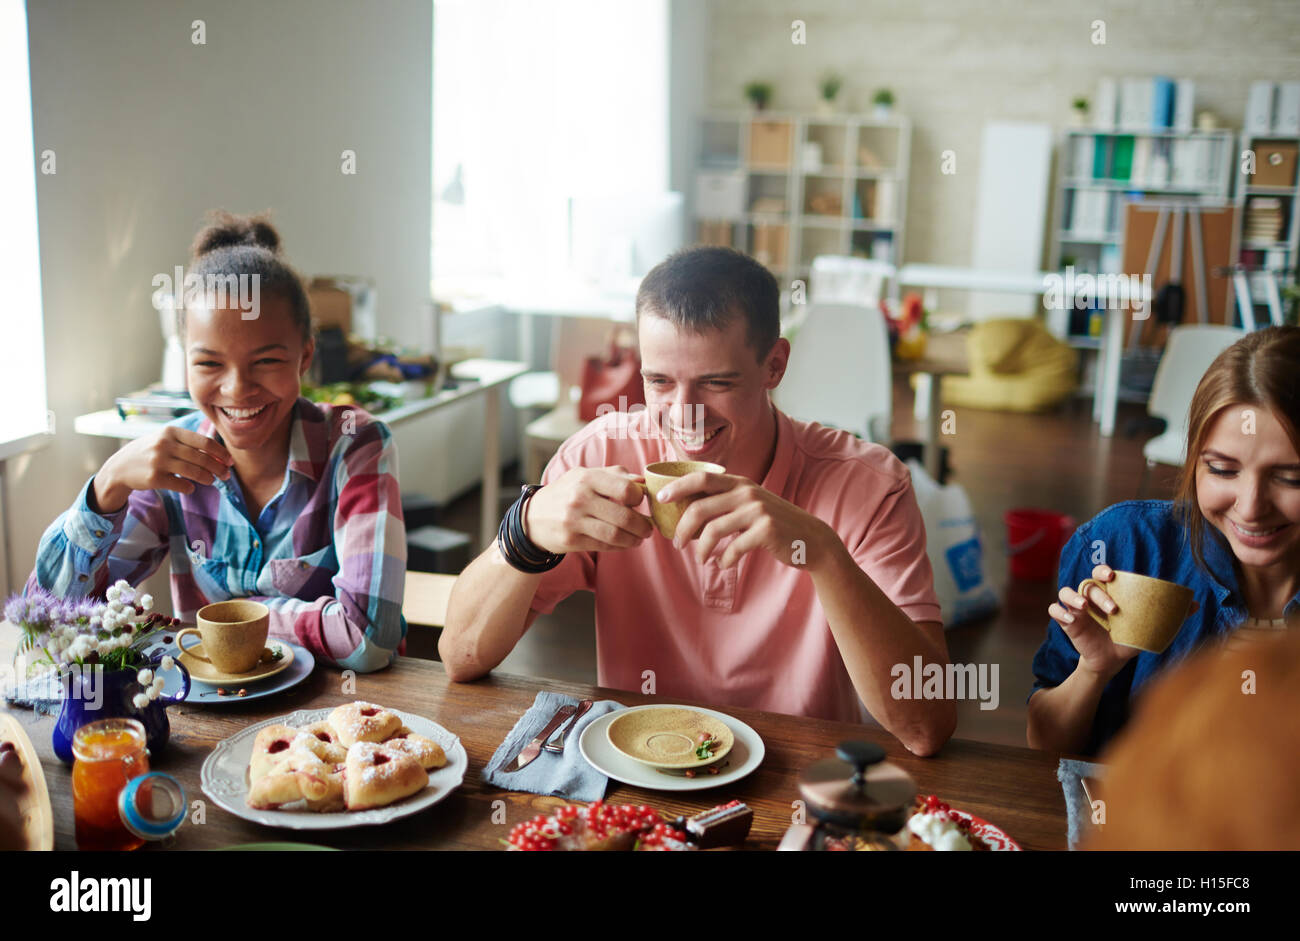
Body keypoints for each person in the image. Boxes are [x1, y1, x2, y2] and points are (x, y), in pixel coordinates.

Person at [442, 246, 954, 755]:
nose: (683, 414)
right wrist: (524, 530)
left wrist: (820, 552)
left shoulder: (870, 484)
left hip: (801, 786)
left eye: (716, 382)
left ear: (774, 365)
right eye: (659, 381)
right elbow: (460, 657)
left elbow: (926, 726)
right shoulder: (599, 455)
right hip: (637, 775)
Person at [28, 212, 406, 671]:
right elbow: (49, 622)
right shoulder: (174, 464)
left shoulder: (355, 445)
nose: (237, 389)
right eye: (209, 364)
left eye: (265, 360)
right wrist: (106, 486)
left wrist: (214, 627)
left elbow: (367, 638)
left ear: (305, 355)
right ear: (185, 360)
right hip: (209, 722)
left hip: (337, 715)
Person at [1028, 325, 1300, 755]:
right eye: (1223, 470)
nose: (1250, 507)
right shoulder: (1126, 548)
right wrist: (1093, 671)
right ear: (1193, 461)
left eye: (1290, 478)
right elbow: (1045, 748)